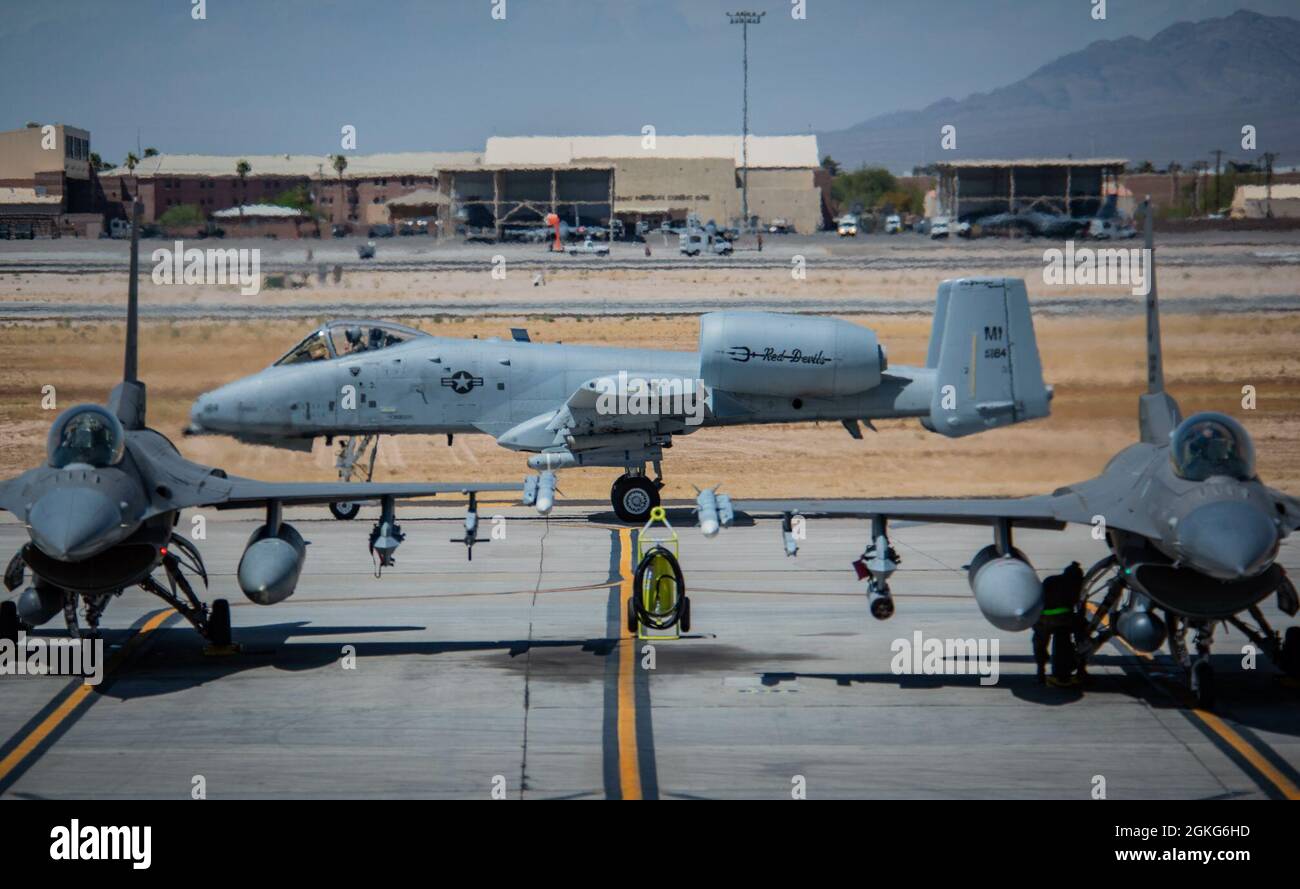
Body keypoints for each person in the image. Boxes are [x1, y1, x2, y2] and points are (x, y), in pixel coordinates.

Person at [1033, 561, 1086, 686]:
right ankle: (1080, 670)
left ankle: (1040, 670)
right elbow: (1079, 606)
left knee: (1040, 643)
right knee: (1078, 638)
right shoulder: (1076, 585)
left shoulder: (1050, 580)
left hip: (1042, 618)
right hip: (1063, 619)